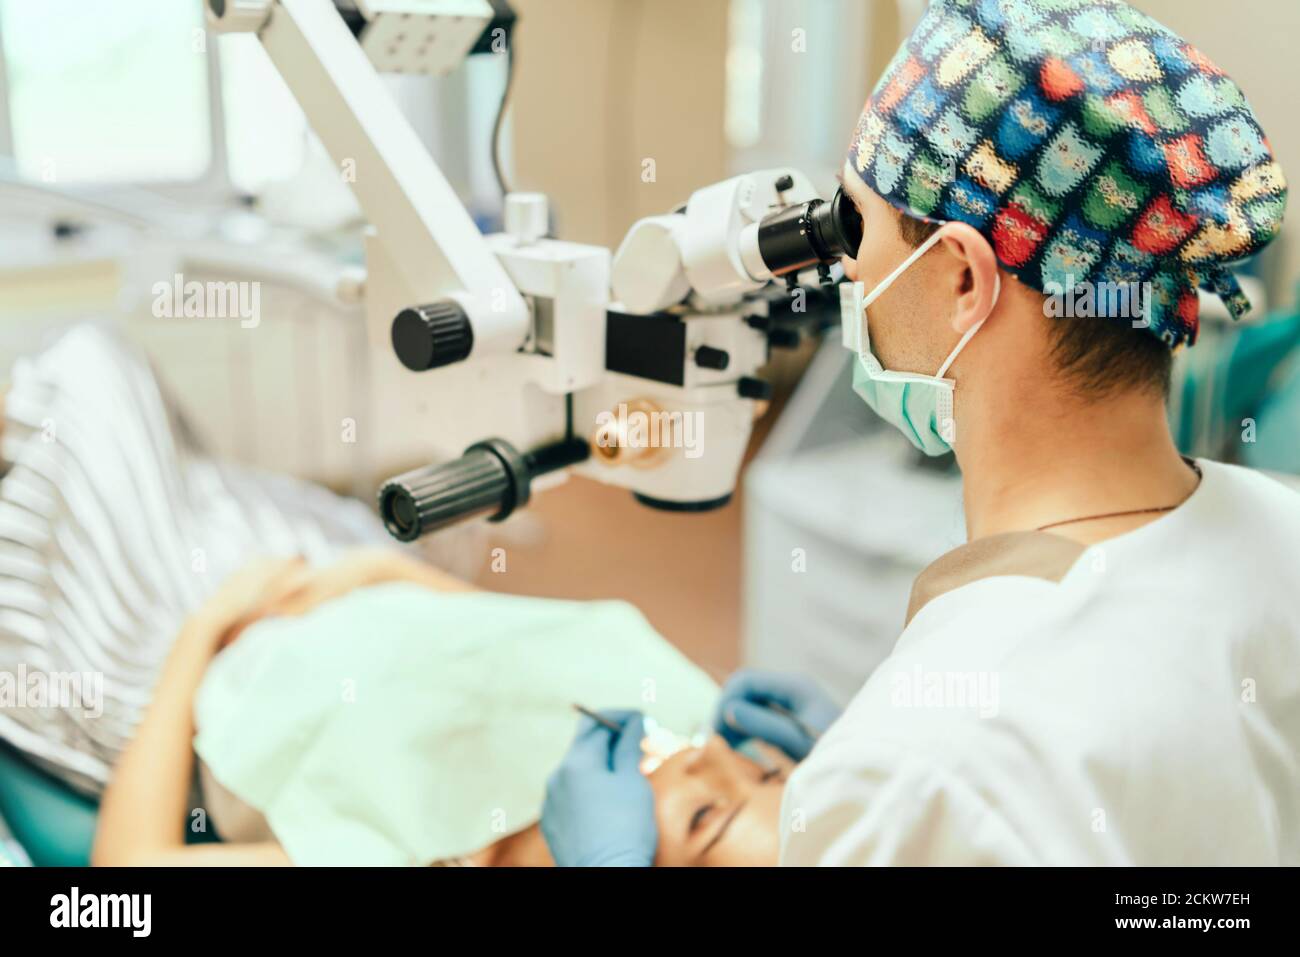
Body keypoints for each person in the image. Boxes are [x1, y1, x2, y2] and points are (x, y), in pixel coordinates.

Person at [540, 0, 1299, 866]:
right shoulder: (1282, 529)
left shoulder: (921, 765)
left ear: (961, 279)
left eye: (854, 225)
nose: (846, 268)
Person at [92, 553, 787, 867]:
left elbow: (127, 867)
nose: (711, 754)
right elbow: (501, 637)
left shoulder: (418, 853)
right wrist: (381, 572)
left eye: (706, 815)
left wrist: (198, 634)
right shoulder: (687, 710)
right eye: (766, 774)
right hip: (330, 573)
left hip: (180, 650)